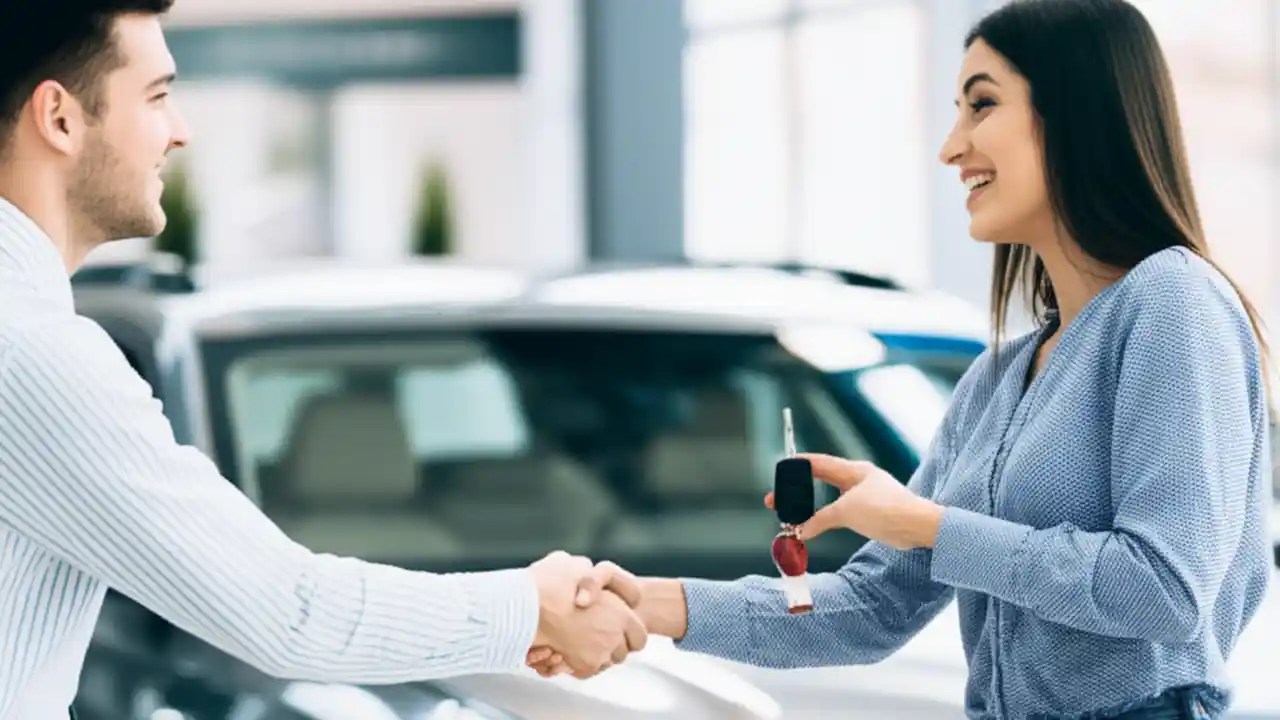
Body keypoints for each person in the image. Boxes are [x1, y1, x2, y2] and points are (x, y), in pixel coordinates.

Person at [529, 1, 1274, 718]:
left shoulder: (1173, 303)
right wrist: (648, 603)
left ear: (1078, 114)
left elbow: (1165, 589)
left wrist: (925, 525)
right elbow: (869, 609)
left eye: (981, 106)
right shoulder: (997, 380)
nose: (952, 146)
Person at [0, 2, 646, 718]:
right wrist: (532, 609)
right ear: (59, 117)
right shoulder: (33, 352)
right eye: (157, 97)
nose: (179, 132)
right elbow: (289, 612)